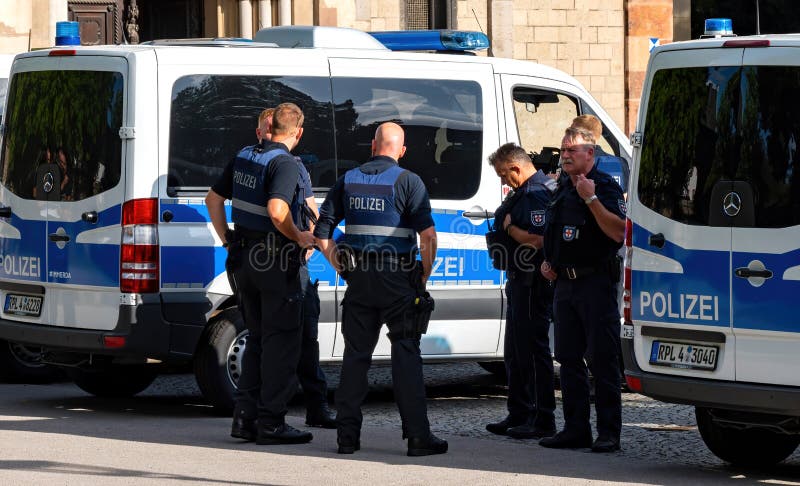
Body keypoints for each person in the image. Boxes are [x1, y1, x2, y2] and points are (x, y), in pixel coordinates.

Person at [313, 122, 447, 457]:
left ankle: (347, 438)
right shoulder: (408, 181)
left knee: (355, 357)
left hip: (359, 280)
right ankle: (418, 438)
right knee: (405, 354)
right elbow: (428, 237)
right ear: (401, 151)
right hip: (398, 280)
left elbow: (321, 233)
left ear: (373, 146)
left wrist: (338, 265)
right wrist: (423, 276)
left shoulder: (348, 180)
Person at [205, 102, 315, 445]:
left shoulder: (245, 155)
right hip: (275, 264)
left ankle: (244, 418)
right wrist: (298, 235)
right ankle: (271, 423)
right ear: (297, 132)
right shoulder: (285, 163)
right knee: (281, 345)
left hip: (243, 259)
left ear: (271, 127)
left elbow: (213, 199)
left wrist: (227, 240)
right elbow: (277, 208)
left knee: (257, 340)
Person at [539, 127, 626, 453]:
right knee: (568, 359)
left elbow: (619, 233)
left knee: (601, 360)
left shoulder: (603, 187)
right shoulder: (561, 187)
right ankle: (575, 429)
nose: (564, 155)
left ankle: (609, 433)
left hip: (595, 284)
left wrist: (590, 198)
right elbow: (557, 232)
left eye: (571, 150)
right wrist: (550, 261)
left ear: (590, 153)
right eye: (563, 150)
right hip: (564, 284)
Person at [255, 107, 336, 429]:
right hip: (276, 262)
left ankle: (315, 406)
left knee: (306, 336)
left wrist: (315, 240)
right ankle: (273, 413)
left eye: (269, 129)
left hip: (291, 261)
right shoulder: (263, 161)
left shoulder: (294, 167)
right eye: (262, 129)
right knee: (284, 339)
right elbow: (277, 211)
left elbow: (310, 207)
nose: (265, 134)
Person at [484, 143, 557, 440]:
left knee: (533, 349)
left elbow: (538, 240)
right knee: (514, 351)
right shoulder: (522, 192)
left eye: (504, 175)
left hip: (532, 282)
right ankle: (518, 413)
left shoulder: (538, 192)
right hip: (517, 278)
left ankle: (542, 418)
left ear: (516, 167)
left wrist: (511, 230)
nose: (503, 181)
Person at [569, 115, 629, 196]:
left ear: (580, 135)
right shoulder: (621, 163)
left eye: (571, 133)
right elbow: (625, 198)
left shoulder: (575, 163)